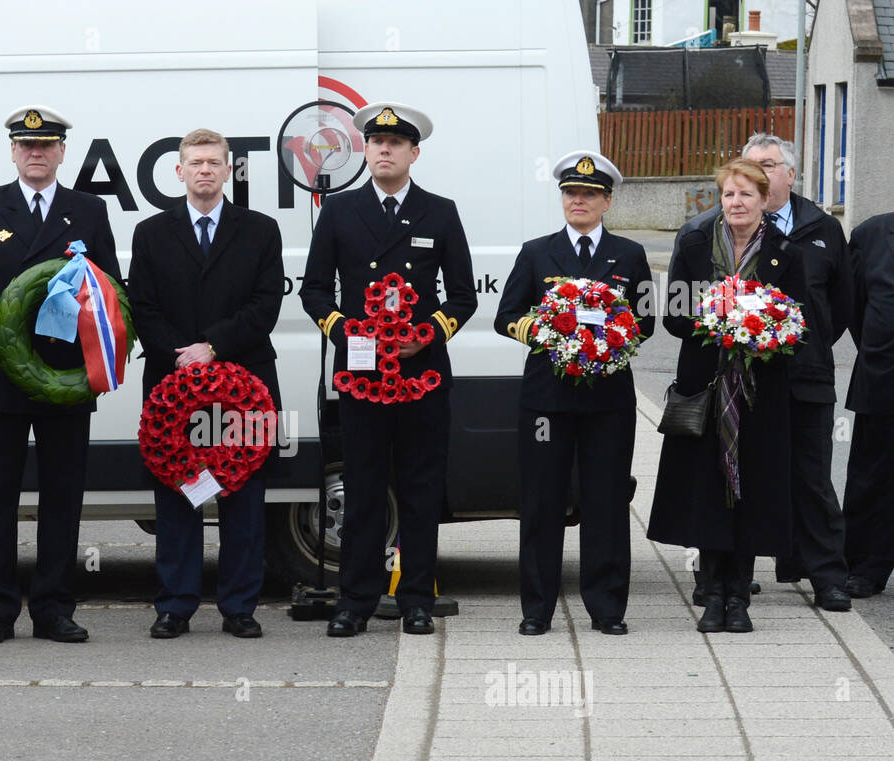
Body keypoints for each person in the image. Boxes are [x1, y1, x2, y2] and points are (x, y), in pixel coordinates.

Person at [0, 106, 120, 645]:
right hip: (0, 374)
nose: (36, 153)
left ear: (62, 151)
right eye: (26, 145)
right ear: (13, 151)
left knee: (63, 495)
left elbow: (108, 286)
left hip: (65, 374)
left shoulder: (87, 210)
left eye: (46, 145)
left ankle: (53, 608)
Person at [300, 102, 477, 637]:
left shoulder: (440, 212)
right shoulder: (339, 211)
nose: (384, 150)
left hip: (421, 376)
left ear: (413, 153)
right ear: (366, 150)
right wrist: (346, 331)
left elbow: (464, 296)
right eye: (376, 142)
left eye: (395, 143)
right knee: (363, 488)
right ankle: (355, 600)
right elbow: (314, 289)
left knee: (421, 490)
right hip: (362, 376)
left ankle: (416, 598)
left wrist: (426, 335)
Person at [679, 135, 852, 612]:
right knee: (735, 473)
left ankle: (825, 575)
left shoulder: (820, 228)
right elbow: (678, 308)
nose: (756, 176)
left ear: (788, 174)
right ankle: (730, 576)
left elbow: (840, 304)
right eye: (748, 169)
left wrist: (795, 339)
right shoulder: (700, 234)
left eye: (769, 166)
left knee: (811, 478)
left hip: (805, 373)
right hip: (732, 383)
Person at [648, 159, 817, 633]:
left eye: (746, 195)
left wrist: (759, 327)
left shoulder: (787, 253)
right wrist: (717, 316)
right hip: (706, 388)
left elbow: (800, 326)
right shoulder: (696, 244)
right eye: (728, 195)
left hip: (760, 394)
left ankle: (739, 597)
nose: (736, 203)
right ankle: (712, 594)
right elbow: (675, 319)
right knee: (708, 490)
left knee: (751, 492)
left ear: (765, 199)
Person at [127, 128, 283, 639]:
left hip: (244, 385)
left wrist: (212, 347)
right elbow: (142, 308)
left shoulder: (260, 230)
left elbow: (265, 306)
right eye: (195, 162)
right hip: (174, 386)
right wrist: (183, 356)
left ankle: (240, 606)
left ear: (229, 169)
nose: (205, 170)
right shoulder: (150, 233)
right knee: (178, 494)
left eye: (214, 162)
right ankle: (175, 605)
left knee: (242, 494)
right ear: (178, 171)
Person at [495, 151, 654, 636]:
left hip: (607, 400)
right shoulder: (537, 252)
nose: (577, 200)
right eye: (570, 193)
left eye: (588, 194)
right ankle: (536, 608)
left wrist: (610, 342)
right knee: (542, 502)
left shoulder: (628, 255)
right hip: (548, 399)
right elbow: (506, 317)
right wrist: (548, 336)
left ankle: (607, 607)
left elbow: (644, 319)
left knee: (605, 501)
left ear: (607, 201)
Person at [842, 210, 894, 599]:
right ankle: (863, 565)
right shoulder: (871, 234)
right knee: (870, 479)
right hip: (882, 378)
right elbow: (855, 309)